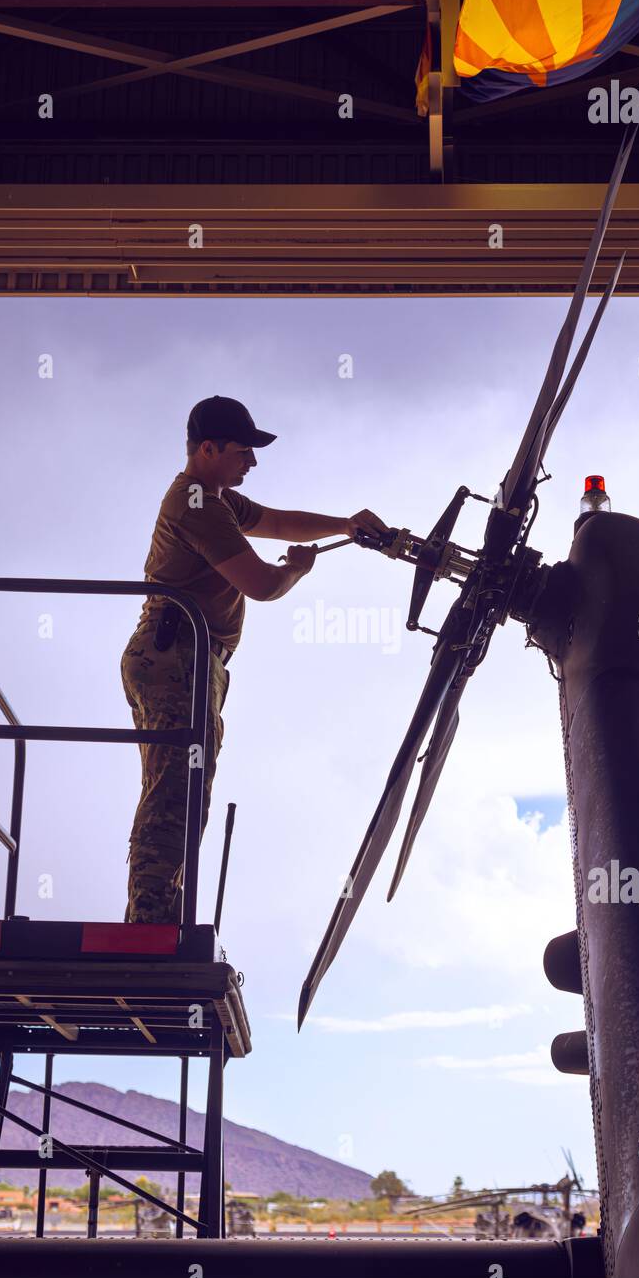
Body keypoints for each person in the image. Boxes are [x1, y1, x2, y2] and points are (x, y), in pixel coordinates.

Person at [122, 394, 388, 924]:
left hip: (187, 658)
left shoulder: (214, 500)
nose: (253, 461)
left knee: (182, 786)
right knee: (176, 788)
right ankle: (148, 923)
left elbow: (279, 522)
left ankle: (154, 915)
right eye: (244, 450)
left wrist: (344, 525)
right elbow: (262, 584)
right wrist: (295, 571)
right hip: (176, 655)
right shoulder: (196, 503)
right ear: (208, 448)